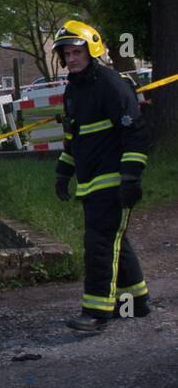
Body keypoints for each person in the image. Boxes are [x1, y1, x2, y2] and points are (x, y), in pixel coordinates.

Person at [51, 20, 151, 331]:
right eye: (66, 54)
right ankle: (136, 300)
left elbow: (134, 134)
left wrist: (131, 178)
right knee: (114, 239)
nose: (71, 59)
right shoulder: (73, 90)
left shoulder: (110, 84)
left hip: (113, 179)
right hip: (90, 183)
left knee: (99, 243)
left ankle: (96, 312)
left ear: (91, 51)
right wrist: (63, 172)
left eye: (76, 52)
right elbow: (75, 139)